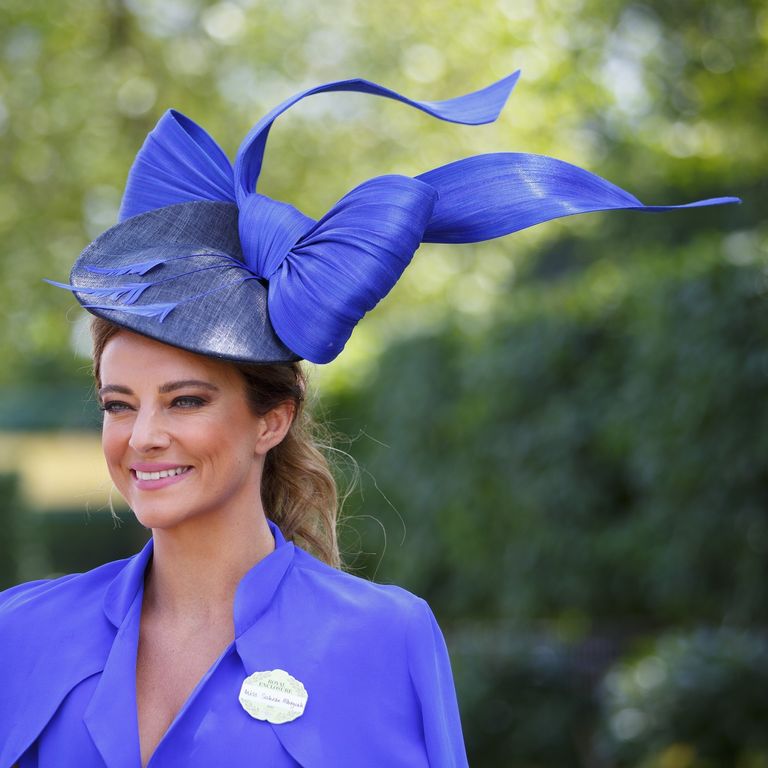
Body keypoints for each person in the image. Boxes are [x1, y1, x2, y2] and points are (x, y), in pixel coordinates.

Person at [0, 72, 738, 768]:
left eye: (185, 399)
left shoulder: (382, 636)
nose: (143, 435)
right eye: (118, 405)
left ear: (272, 420)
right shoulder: (22, 631)